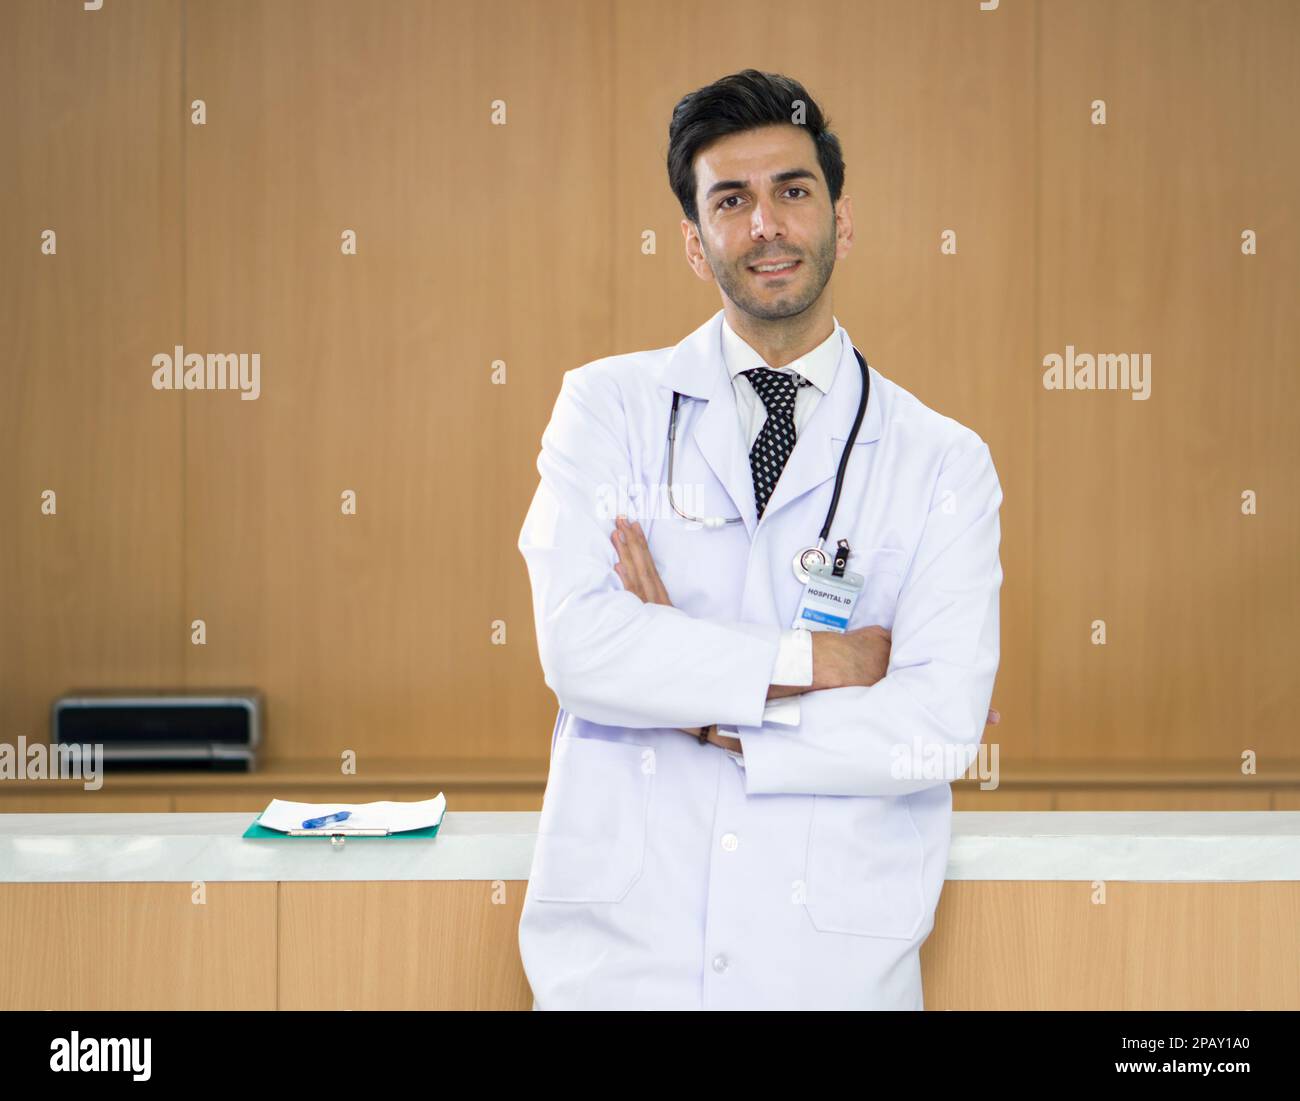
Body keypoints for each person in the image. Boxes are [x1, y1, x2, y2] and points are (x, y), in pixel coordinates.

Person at [517, 69, 1003, 1010]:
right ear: (697, 245)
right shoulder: (607, 409)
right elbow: (579, 648)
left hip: (825, 973)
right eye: (731, 201)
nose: (766, 225)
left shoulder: (943, 460)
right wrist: (817, 662)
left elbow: (936, 728)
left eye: (793, 190)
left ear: (841, 220)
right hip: (621, 969)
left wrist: (702, 706)